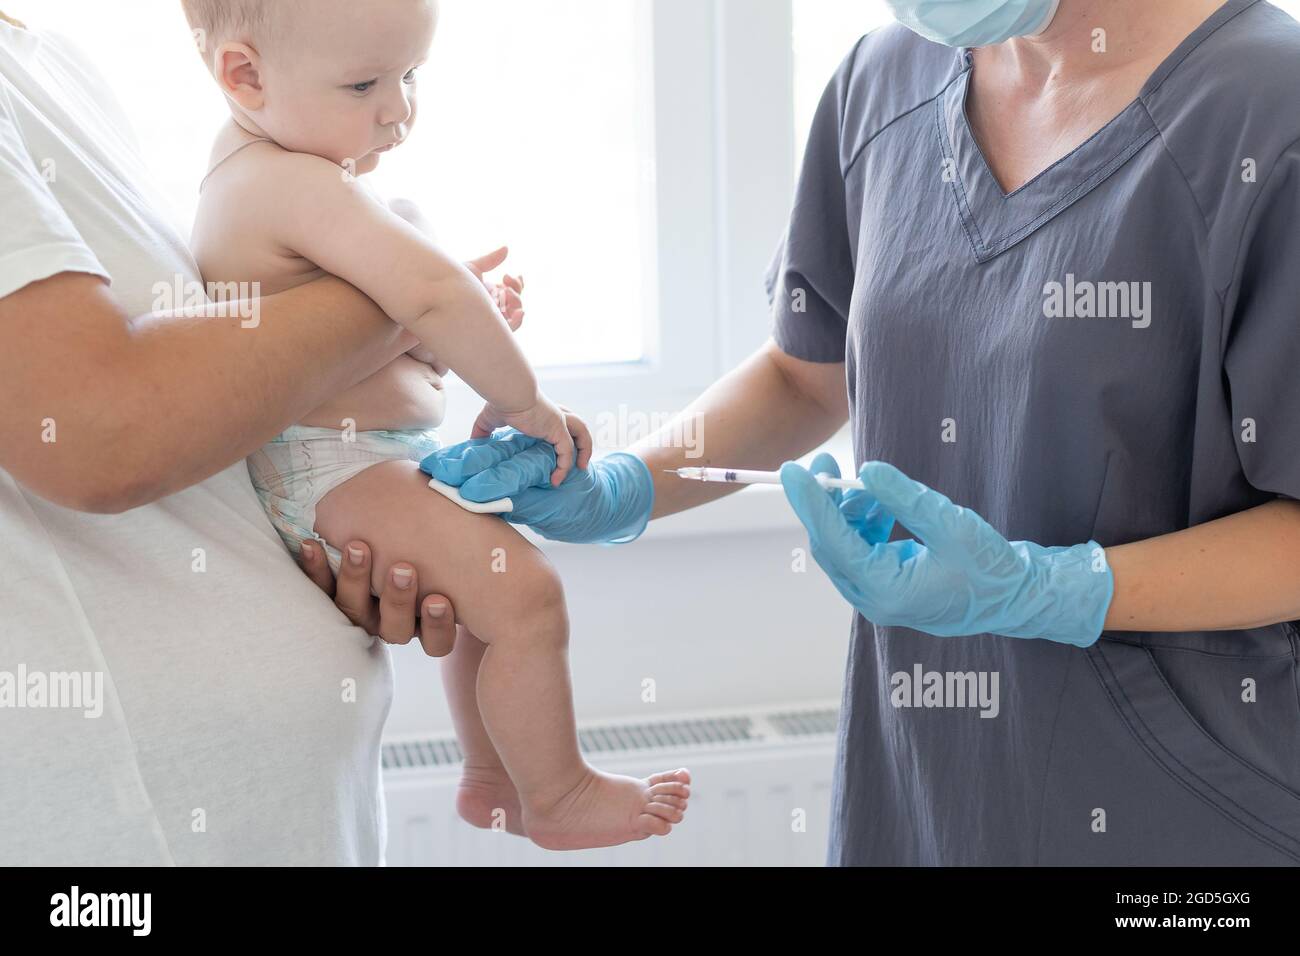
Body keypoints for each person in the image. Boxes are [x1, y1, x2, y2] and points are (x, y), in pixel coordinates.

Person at [411, 0, 1300, 864]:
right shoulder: (887, 79)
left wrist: (1050, 590)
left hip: (1185, 807)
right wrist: (621, 489)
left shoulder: (1267, 111)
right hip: (919, 792)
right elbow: (806, 376)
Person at [182, 0, 689, 849]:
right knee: (528, 595)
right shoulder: (286, 182)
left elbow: (383, 339)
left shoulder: (275, 166)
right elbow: (428, 294)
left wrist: (460, 354)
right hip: (332, 467)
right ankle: (557, 795)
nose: (399, 109)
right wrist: (526, 400)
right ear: (245, 75)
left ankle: (494, 778)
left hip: (362, 455)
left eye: (411, 75)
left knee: (483, 603)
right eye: (365, 83)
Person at [0, 7, 459, 864]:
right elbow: (99, 429)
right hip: (103, 836)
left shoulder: (51, 61)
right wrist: (417, 281)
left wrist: (308, 526)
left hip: (267, 815)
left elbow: (208, 392)